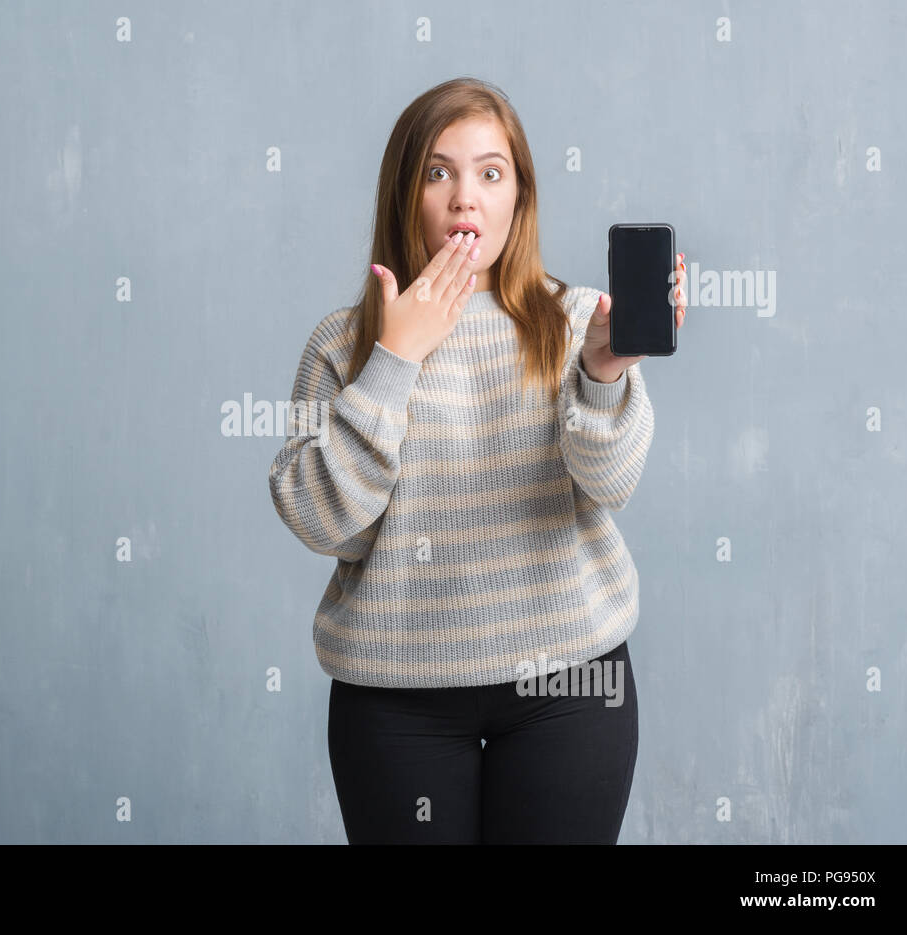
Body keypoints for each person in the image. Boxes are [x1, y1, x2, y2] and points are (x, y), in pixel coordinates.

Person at [267, 77, 687, 844]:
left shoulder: (576, 320)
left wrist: (602, 374)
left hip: (570, 684)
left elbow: (611, 481)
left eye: (491, 173)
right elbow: (325, 522)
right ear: (406, 193)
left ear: (518, 199)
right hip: (397, 700)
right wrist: (393, 358)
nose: (466, 197)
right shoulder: (338, 343)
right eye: (439, 171)